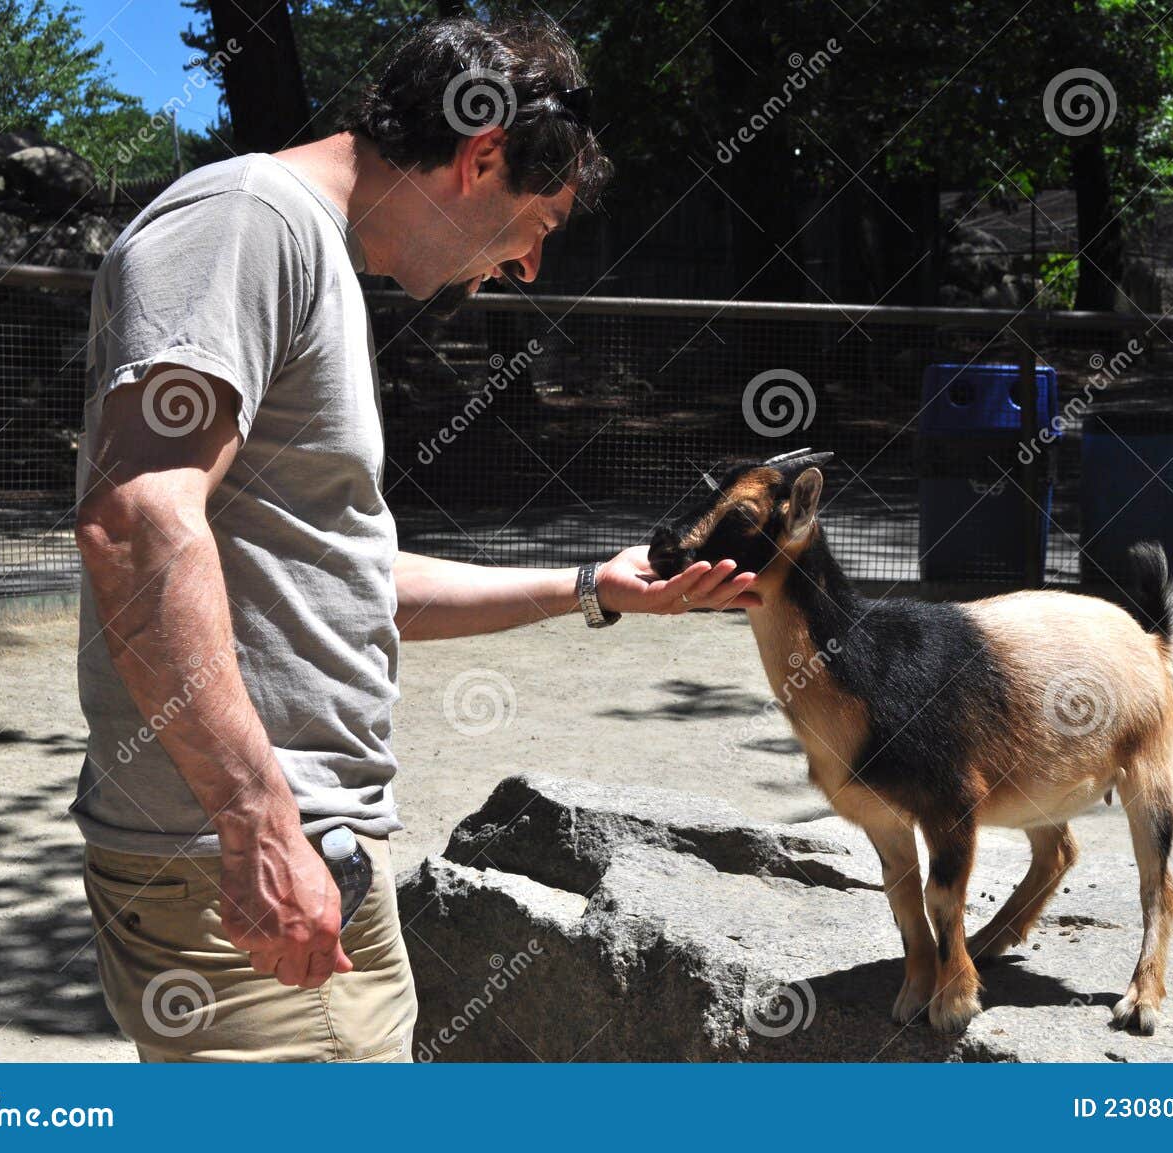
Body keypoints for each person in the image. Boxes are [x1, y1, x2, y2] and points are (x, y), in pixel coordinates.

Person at [71, 13, 757, 1063]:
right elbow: (136, 519)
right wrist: (258, 823)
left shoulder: (307, 254)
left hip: (297, 841)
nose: (531, 264)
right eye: (543, 220)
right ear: (481, 155)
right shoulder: (248, 219)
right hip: (244, 847)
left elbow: (343, 584)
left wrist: (591, 587)